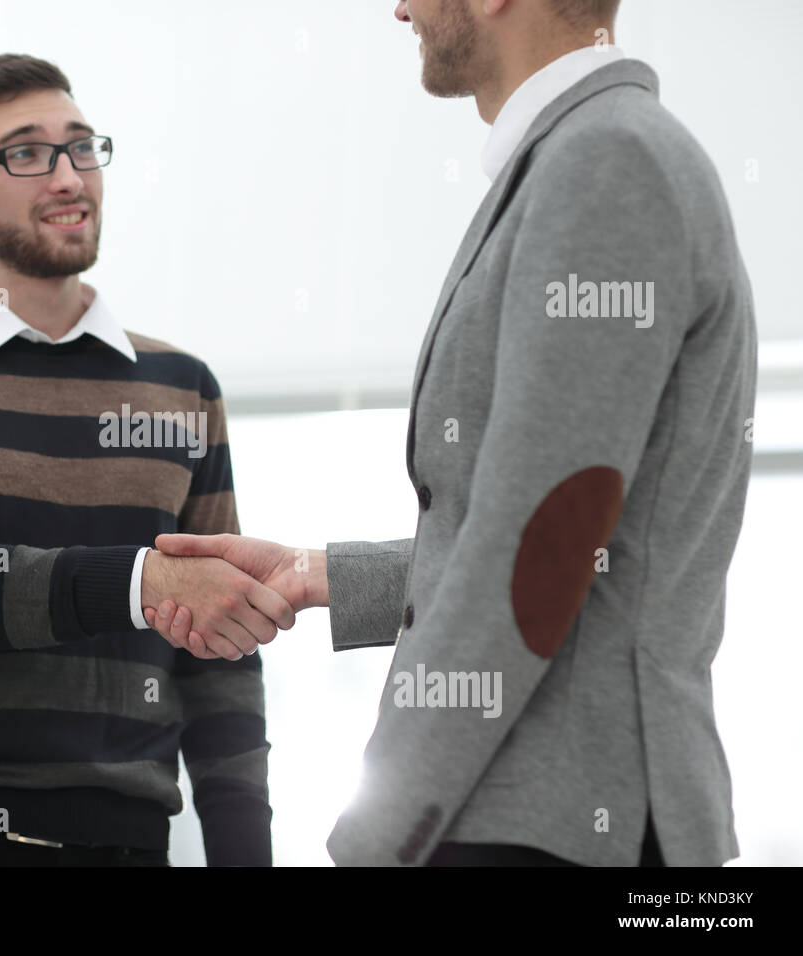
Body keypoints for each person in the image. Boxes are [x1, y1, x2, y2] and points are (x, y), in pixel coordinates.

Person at [146, 0, 755, 867]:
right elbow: (583, 539)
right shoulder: (591, 154)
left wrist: (381, 835)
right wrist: (317, 575)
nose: (400, 7)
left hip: (544, 821)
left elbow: (542, 548)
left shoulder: (605, 162)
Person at [0, 54, 291, 867]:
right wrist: (140, 582)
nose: (68, 176)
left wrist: (244, 852)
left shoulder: (184, 390)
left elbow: (219, 654)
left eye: (81, 147)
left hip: (129, 843)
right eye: (25, 153)